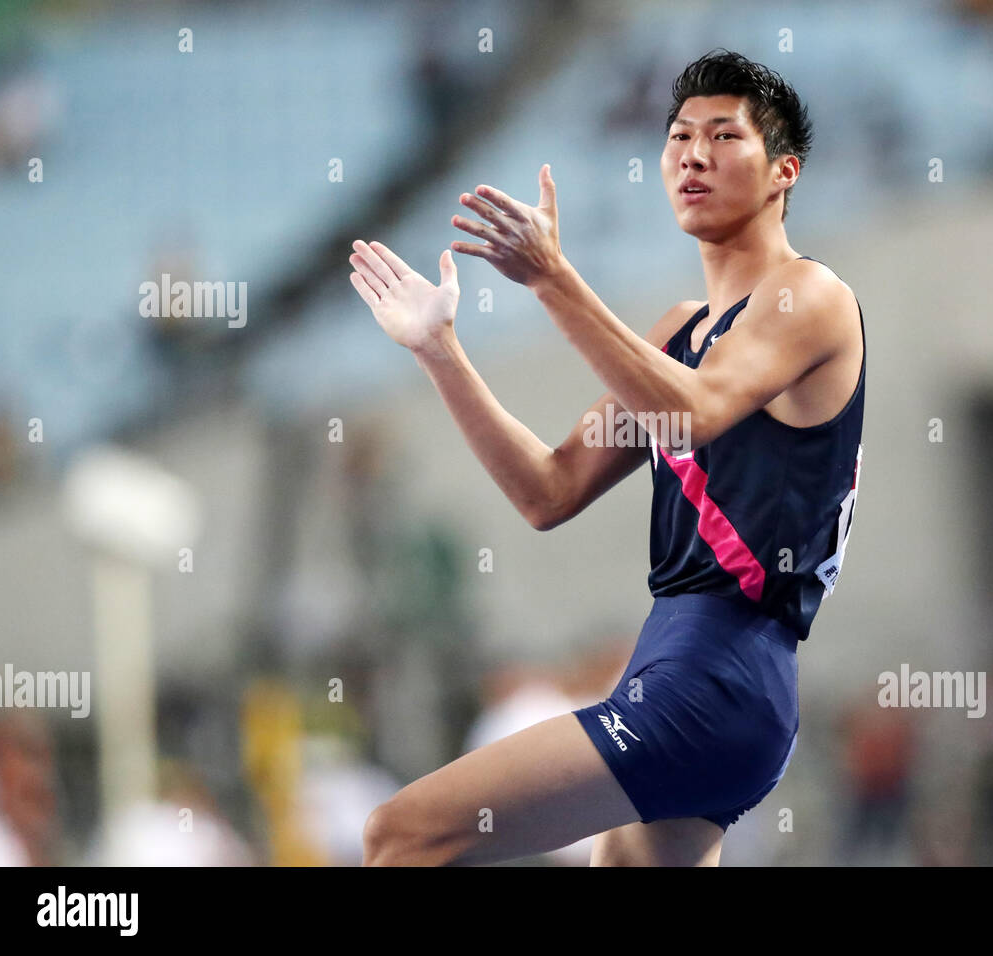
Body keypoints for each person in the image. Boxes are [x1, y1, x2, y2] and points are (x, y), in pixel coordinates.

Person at [350, 49, 865, 866]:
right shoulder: (678, 333)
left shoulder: (813, 299)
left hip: (719, 676)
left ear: (783, 173)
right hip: (678, 668)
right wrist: (441, 351)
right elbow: (547, 491)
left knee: (402, 834)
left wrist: (553, 278)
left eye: (724, 136)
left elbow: (695, 414)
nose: (693, 153)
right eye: (679, 136)